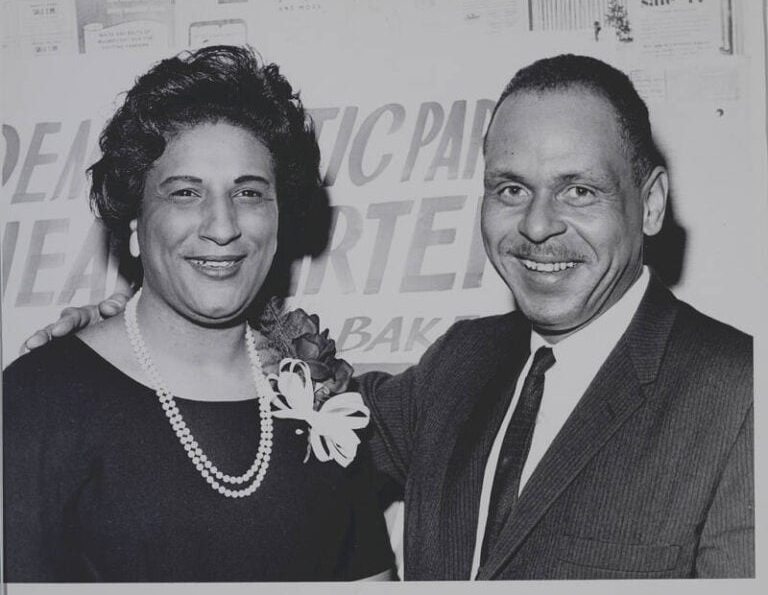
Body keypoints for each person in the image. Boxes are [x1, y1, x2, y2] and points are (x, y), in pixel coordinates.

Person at [23, 54, 754, 580]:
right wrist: (114, 337)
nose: (537, 226)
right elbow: (265, 425)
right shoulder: (464, 361)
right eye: (509, 188)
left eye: (579, 191)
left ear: (651, 201)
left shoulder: (739, 394)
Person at [3, 45, 393, 582]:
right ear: (135, 225)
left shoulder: (321, 396)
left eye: (250, 192)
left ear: (280, 219)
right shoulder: (36, 400)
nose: (223, 225)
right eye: (185, 192)